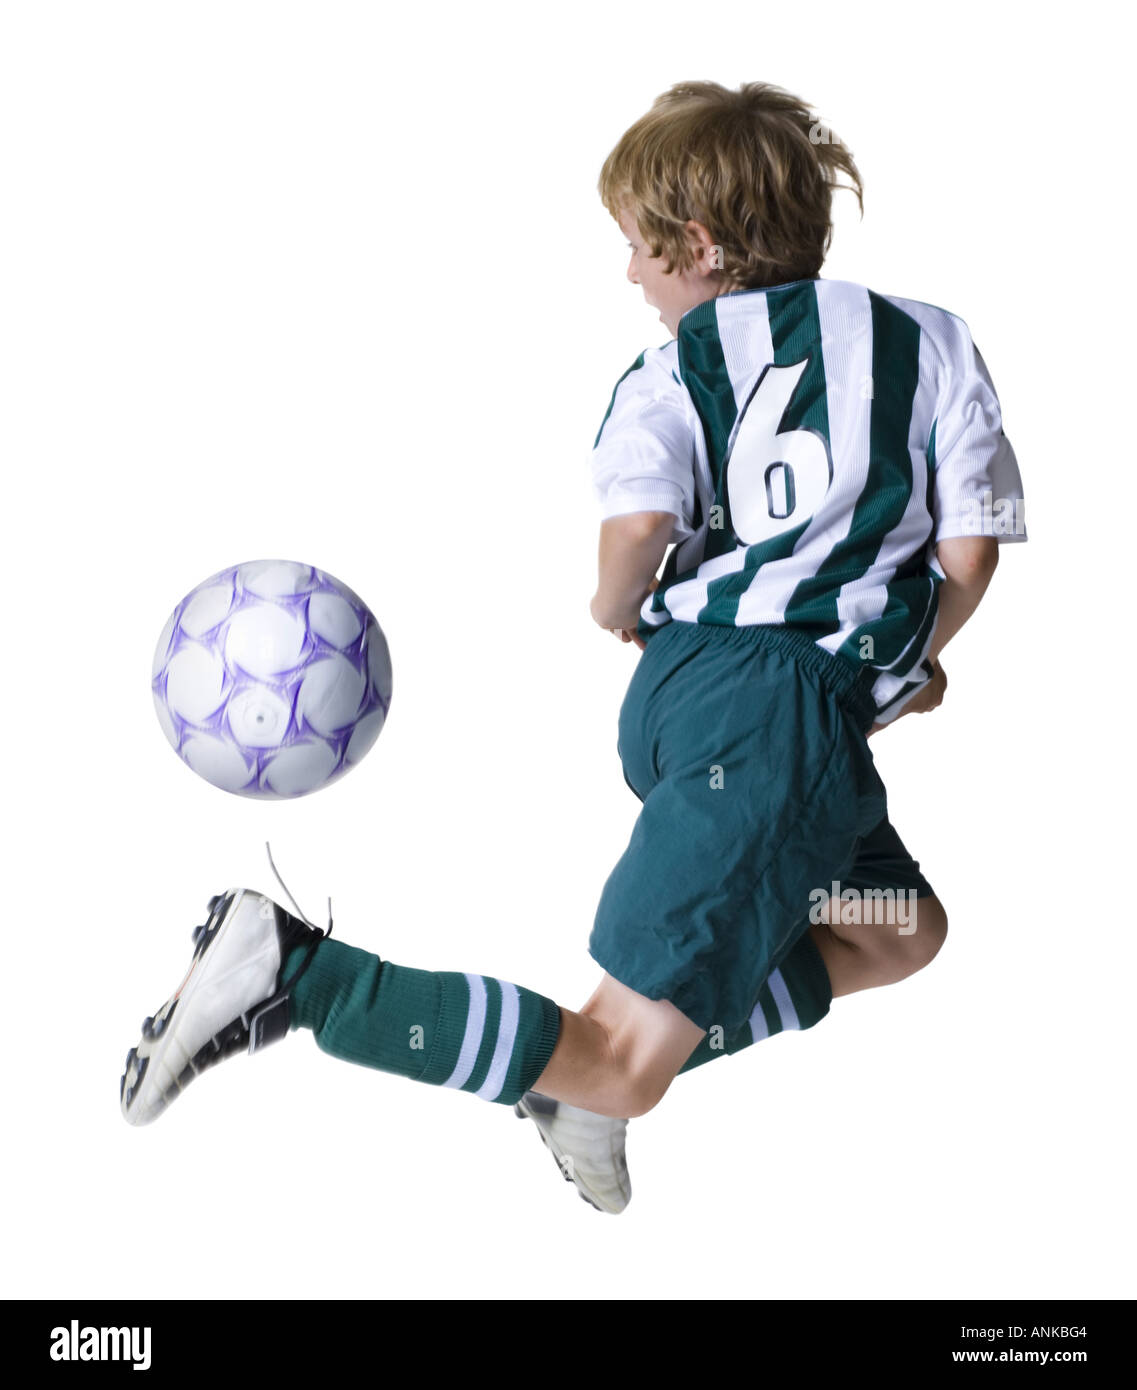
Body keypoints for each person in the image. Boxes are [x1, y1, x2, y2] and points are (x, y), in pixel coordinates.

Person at [120, 80, 1026, 1216]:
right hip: (776, 729)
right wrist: (918, 655)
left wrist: (616, 604)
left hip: (704, 705)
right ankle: (306, 976)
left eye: (639, 249)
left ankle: (585, 1075)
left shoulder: (672, 370)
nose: (633, 276)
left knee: (899, 929)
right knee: (621, 1061)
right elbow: (972, 556)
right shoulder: (930, 340)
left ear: (698, 246)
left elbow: (637, 530)